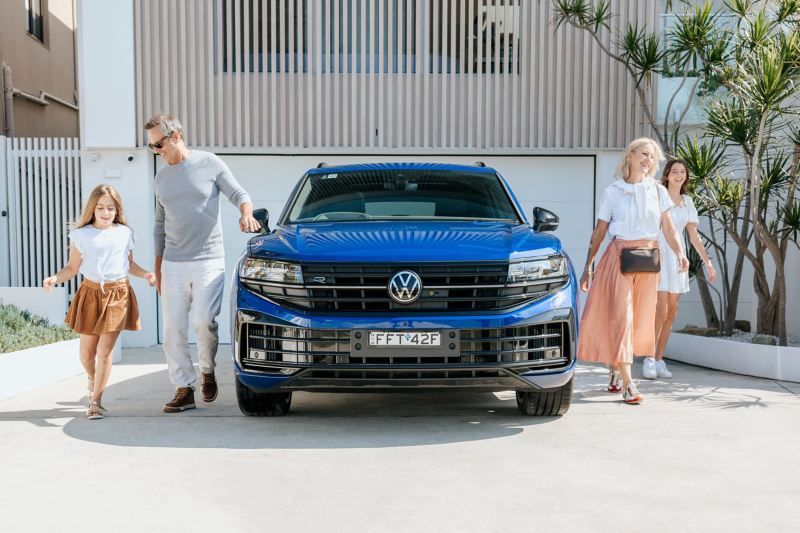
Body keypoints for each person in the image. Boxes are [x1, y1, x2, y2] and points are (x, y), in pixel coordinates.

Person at [146, 113, 260, 413]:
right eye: (151, 148)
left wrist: (245, 213)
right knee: (172, 328)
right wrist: (157, 268)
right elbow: (159, 225)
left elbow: (239, 194)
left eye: (158, 145)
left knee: (203, 323)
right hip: (172, 262)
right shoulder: (161, 178)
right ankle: (184, 387)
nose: (156, 152)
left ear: (176, 137)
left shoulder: (209, 163)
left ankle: (207, 369)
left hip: (208, 259)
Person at [577, 138, 689, 404]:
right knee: (623, 318)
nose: (648, 160)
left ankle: (615, 368)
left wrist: (680, 253)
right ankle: (629, 383)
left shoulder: (658, 191)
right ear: (630, 156)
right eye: (644, 154)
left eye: (652, 156)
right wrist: (588, 267)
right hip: (618, 259)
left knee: (639, 320)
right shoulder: (613, 192)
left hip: (649, 260)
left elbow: (669, 228)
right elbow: (599, 232)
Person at [43, 184, 156, 419]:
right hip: (90, 294)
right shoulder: (81, 235)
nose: (106, 213)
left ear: (117, 210)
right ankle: (93, 380)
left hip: (118, 293)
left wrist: (146, 274)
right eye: (101, 208)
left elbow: (130, 265)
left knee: (105, 352)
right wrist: (55, 278)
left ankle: (96, 401)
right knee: (86, 355)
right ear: (92, 209)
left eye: (111, 208)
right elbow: (72, 268)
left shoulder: (125, 233)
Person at [645, 159, 717, 379]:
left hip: (678, 260)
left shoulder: (687, 201)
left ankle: (659, 359)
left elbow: (694, 237)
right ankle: (648, 358)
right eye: (674, 171)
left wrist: (708, 262)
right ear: (666, 175)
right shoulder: (657, 196)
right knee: (660, 310)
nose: (679, 175)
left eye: (683, 172)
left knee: (671, 313)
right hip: (659, 256)